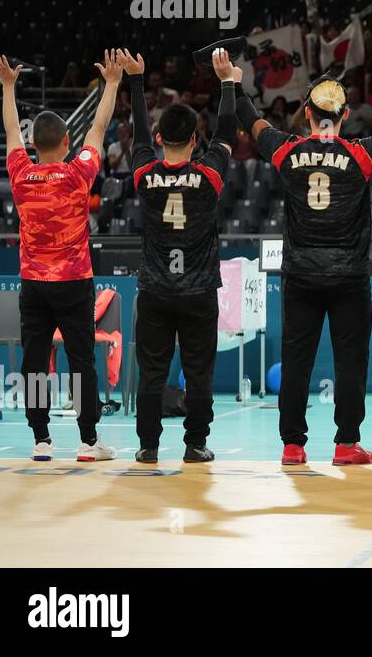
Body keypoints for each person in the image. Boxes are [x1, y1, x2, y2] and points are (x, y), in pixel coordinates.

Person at [236, 61, 372, 466]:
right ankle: (346, 444)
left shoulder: (287, 150)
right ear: (345, 114)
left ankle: (292, 446)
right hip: (348, 276)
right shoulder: (360, 155)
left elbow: (253, 122)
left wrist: (232, 84)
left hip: (301, 274)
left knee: (296, 359)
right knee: (350, 361)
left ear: (307, 113)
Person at [0, 50, 123, 462]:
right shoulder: (78, 173)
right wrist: (112, 84)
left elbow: (10, 130)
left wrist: (8, 87)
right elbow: (98, 128)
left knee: (35, 359)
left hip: (34, 285)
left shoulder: (20, 173)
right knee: (81, 359)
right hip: (74, 283)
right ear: (67, 142)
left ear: (33, 144)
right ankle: (88, 442)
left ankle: (41, 440)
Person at [125, 48, 239, 464]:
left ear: (160, 139)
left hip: (156, 289)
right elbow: (227, 131)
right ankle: (195, 444)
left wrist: (136, 80)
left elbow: (138, 135)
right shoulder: (209, 175)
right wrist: (227, 82)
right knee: (198, 371)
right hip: (198, 291)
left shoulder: (144, 174)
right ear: (194, 139)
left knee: (152, 371)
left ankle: (148, 446)